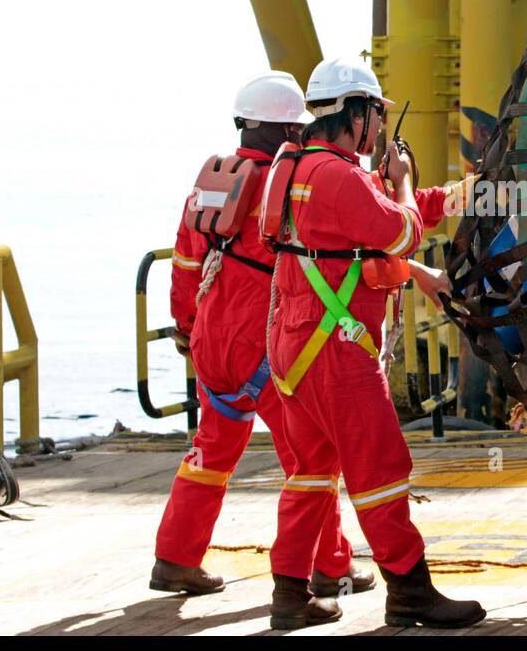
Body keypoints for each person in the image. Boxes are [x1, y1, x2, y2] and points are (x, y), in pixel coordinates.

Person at [265, 56, 486, 630]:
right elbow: (402, 228)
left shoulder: (292, 170)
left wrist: (471, 195)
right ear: (358, 115)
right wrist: (406, 179)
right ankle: (410, 591)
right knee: (382, 469)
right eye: (376, 117)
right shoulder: (338, 177)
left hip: (294, 344)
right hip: (337, 350)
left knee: (312, 473)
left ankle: (289, 595)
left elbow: (374, 224)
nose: (380, 130)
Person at [150, 71, 373, 605]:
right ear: (291, 129)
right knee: (311, 457)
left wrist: (187, 328)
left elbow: (186, 264)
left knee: (212, 448)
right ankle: (329, 568)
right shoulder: (290, 183)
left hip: (212, 338)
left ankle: (176, 558)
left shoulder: (211, 183)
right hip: (266, 341)